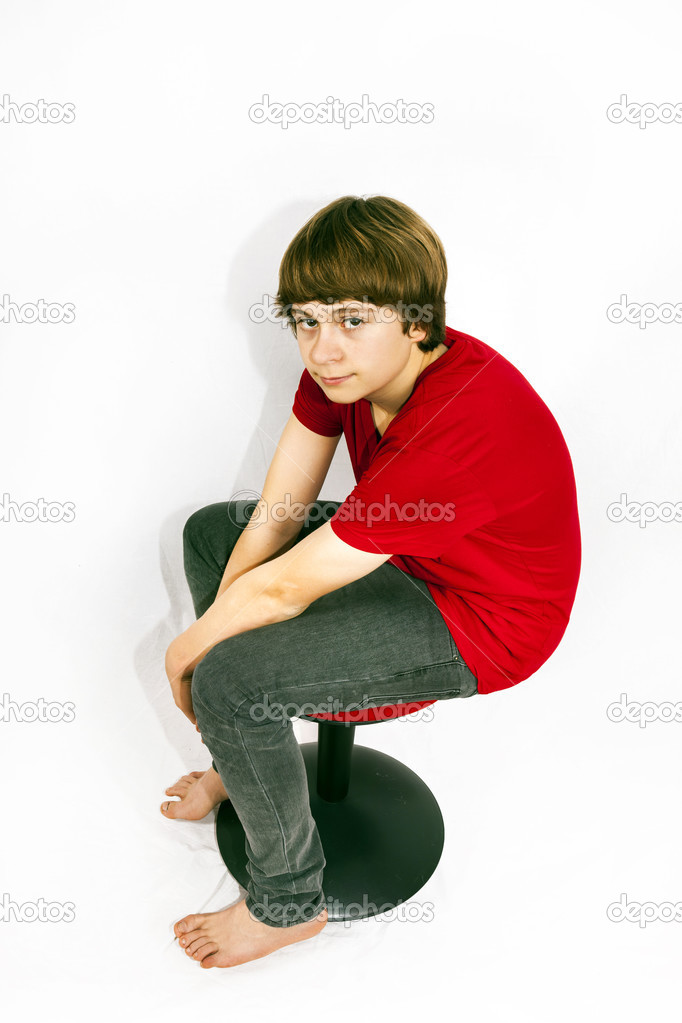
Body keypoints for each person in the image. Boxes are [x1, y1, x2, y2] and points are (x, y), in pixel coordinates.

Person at [161, 194, 582, 967]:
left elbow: (283, 591)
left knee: (229, 678)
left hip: (485, 620)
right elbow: (277, 515)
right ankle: (243, 760)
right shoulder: (343, 375)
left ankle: (288, 903)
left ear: (418, 321)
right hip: (417, 554)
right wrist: (213, 642)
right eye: (306, 320)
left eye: (353, 319)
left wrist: (184, 656)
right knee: (212, 536)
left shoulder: (457, 428)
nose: (323, 348)